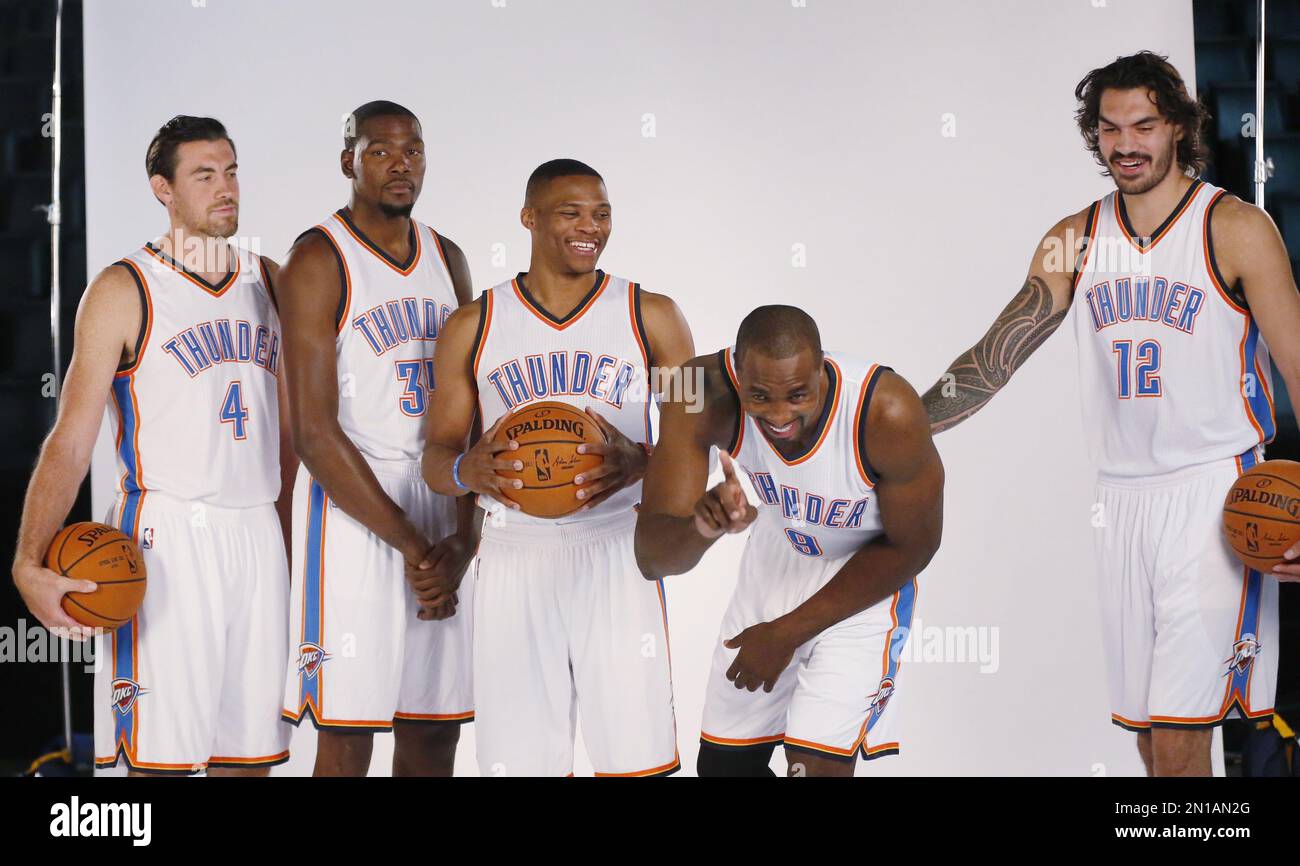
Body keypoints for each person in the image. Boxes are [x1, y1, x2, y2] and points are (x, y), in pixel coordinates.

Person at [922, 52, 1300, 776]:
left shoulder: (1236, 229)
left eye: (1144, 125)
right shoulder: (1076, 237)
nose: (1126, 144)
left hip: (1216, 495)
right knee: (1152, 739)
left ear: (1180, 128)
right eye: (1109, 128)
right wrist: (890, 422)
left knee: (1183, 734)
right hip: (1121, 499)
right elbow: (994, 359)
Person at [12, 116, 292, 775]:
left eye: (230, 171)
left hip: (257, 531)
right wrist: (28, 562)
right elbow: (71, 440)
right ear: (162, 189)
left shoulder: (272, 280)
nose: (225, 188)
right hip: (168, 539)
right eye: (204, 175)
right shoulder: (124, 289)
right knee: (161, 764)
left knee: (248, 760)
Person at [421, 159, 695, 776]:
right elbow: (435, 460)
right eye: (571, 212)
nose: (589, 228)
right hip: (514, 554)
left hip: (617, 549)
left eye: (601, 215)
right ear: (529, 218)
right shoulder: (474, 325)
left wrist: (642, 459)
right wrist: (468, 469)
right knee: (521, 765)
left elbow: (697, 434)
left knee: (635, 758)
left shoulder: (653, 315)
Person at [636, 305, 943, 776]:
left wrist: (785, 633)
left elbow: (915, 547)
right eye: (759, 396)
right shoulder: (697, 391)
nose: (780, 415)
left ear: (823, 368)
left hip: (865, 577)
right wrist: (704, 525)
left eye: (798, 394)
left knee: (813, 769)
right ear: (736, 373)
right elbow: (652, 558)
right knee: (723, 770)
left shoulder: (886, 410)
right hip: (778, 561)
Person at [277, 101, 477, 777]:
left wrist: (462, 541)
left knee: (432, 728)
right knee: (349, 730)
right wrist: (413, 545)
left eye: (414, 150)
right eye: (382, 150)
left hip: (440, 496)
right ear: (348, 162)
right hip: (352, 512)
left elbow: (473, 408)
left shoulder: (447, 257)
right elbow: (311, 431)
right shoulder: (317, 259)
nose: (402, 165)